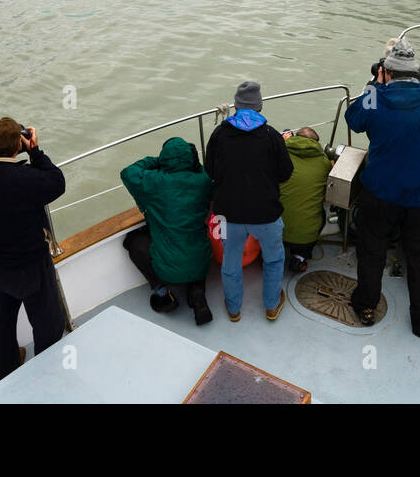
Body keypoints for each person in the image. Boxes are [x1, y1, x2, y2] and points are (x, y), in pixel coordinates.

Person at [346, 39, 420, 337]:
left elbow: (354, 120)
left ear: (387, 71)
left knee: (372, 251)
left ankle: (366, 305)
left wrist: (374, 85)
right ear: (415, 73)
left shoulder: (375, 99)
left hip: (381, 194)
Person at [0, 116, 67, 381]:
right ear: (17, 146)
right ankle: (46, 370)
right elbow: (57, 182)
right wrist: (35, 151)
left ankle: (6, 372)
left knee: (2, 323)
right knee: (48, 323)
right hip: (31, 266)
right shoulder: (26, 179)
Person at [205, 81, 293, 322]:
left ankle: (234, 309)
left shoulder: (219, 134)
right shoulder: (272, 136)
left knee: (230, 263)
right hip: (266, 214)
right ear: (259, 107)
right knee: (274, 260)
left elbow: (210, 171)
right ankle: (272, 306)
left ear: (237, 106)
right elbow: (285, 173)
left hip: (228, 215)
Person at [120, 137, 214, 325]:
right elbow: (201, 171)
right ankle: (197, 289)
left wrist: (157, 161)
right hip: (202, 262)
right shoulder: (203, 181)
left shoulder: (155, 182)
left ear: (165, 158)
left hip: (167, 270)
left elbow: (127, 172)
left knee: (133, 242)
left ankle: (162, 293)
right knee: (193, 244)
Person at [280, 126, 332, 273]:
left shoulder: (280, 156)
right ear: (316, 143)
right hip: (306, 237)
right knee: (320, 211)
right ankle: (300, 257)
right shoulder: (324, 163)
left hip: (276, 230)